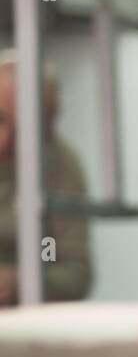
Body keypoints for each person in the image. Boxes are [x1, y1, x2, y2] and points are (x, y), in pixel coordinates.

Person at [0, 52, 93, 304]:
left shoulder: (59, 167)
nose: (6, 141)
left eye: (26, 128)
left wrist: (18, 283)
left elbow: (70, 271)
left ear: (51, 121)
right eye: (0, 119)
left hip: (23, 316)